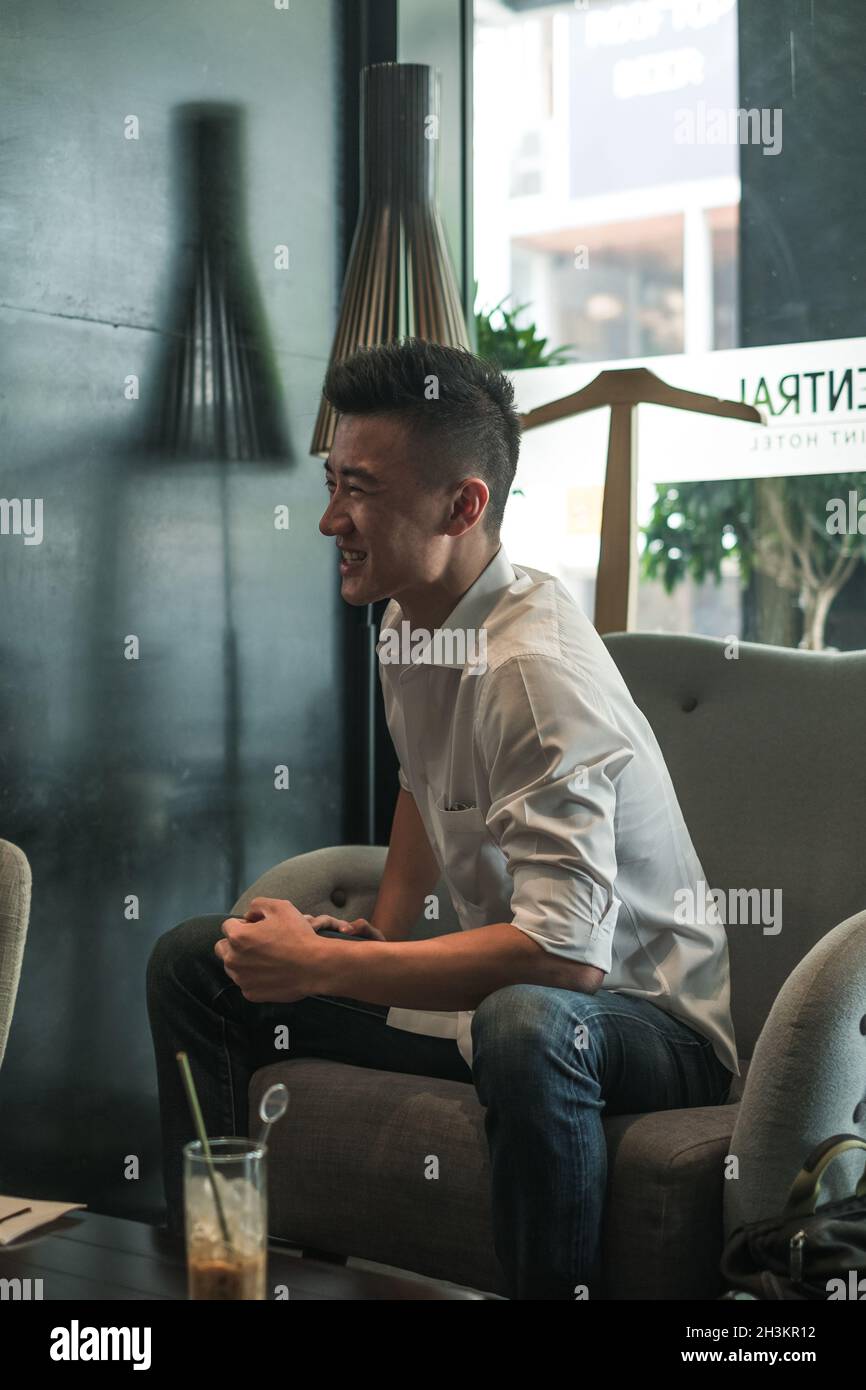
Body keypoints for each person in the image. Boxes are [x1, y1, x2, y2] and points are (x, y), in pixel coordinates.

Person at [146, 337, 738, 1300]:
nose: (330, 517)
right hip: (509, 1005)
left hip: (646, 1027)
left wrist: (327, 965)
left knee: (525, 1023)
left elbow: (565, 960)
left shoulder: (534, 671)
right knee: (196, 963)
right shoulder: (408, 617)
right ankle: (218, 1276)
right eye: (333, 481)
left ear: (463, 505)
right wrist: (376, 932)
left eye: (362, 490)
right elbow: (425, 785)